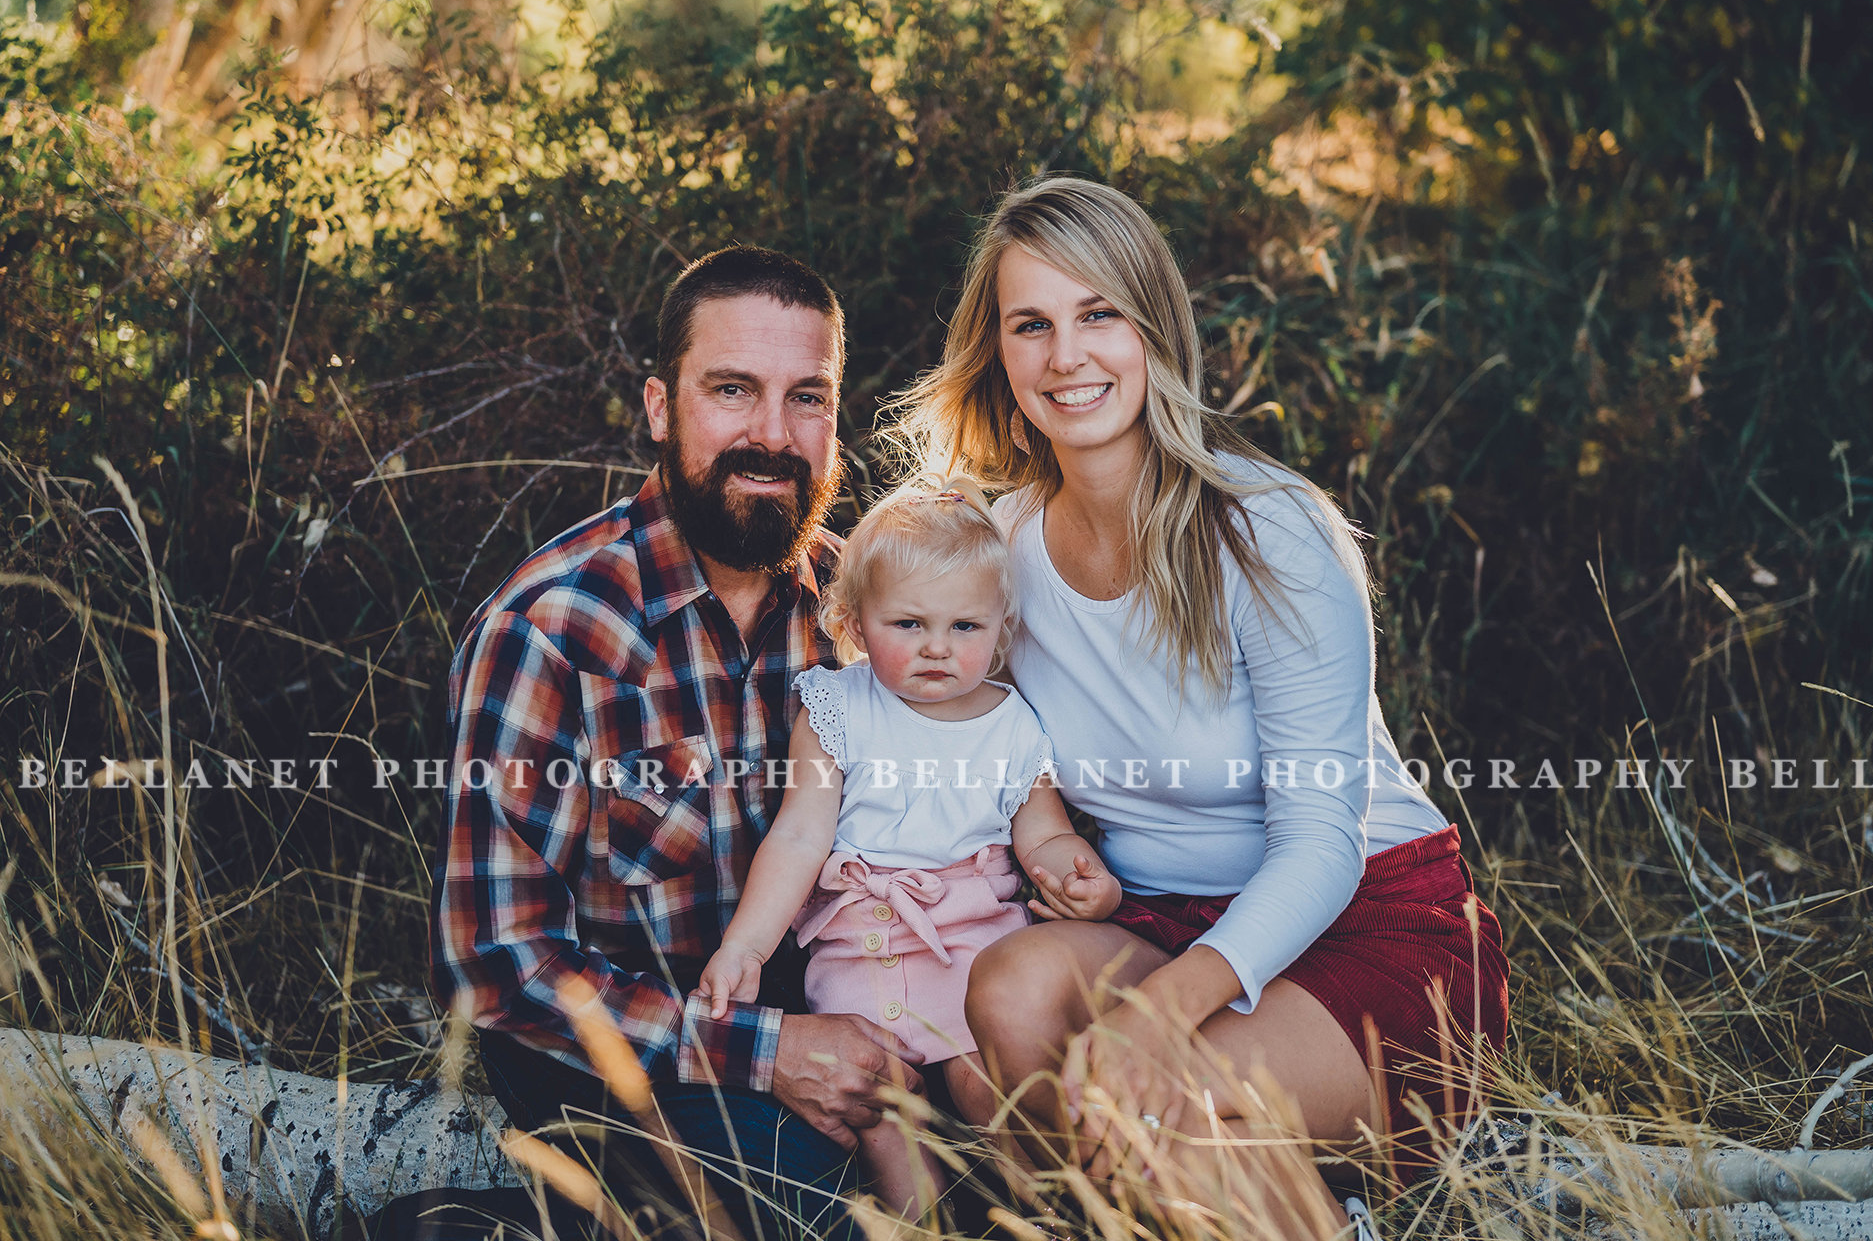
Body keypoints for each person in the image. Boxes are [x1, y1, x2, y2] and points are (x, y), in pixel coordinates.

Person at [891, 178, 1511, 1236]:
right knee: (1007, 990)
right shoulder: (996, 553)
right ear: (996, 354)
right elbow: (936, 699)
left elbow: (1322, 843)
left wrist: (1154, 1024)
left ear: (1153, 329)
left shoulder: (1265, 530)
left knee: (1152, 1094)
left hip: (1366, 924)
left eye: (1099, 315)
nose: (1066, 356)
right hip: (1158, 924)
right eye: (1030, 325)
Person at [429, 245, 927, 1241]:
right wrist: (769, 1050)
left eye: (807, 398)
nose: (774, 436)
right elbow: (502, 966)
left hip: (839, 1016)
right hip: (615, 1058)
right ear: (661, 408)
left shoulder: (861, 609)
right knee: (812, 1217)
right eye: (733, 391)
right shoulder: (553, 629)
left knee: (989, 1182)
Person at [692, 479, 1120, 1219]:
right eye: (909, 623)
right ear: (855, 623)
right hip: (863, 952)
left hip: (973, 950)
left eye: (964, 627)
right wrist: (747, 949)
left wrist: (1079, 876)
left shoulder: (1012, 722)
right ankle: (922, 1226)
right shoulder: (839, 707)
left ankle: (1048, 1217)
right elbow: (799, 835)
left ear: (1001, 627)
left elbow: (1041, 829)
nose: (936, 648)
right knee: (882, 1113)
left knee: (993, 1087)